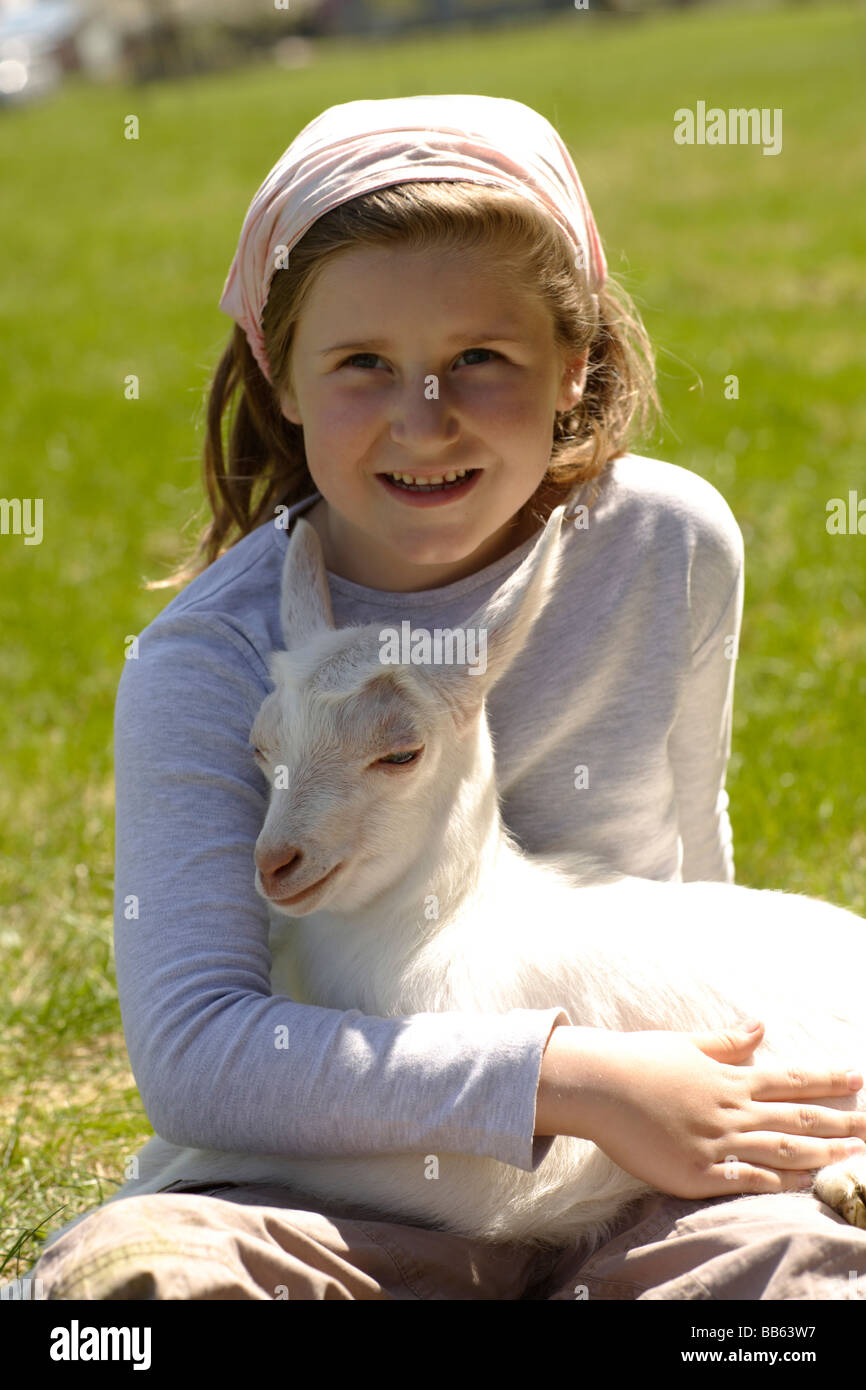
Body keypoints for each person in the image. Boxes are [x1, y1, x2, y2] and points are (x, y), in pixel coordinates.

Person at [26, 94, 866, 1301]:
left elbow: (687, 863)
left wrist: (685, 1107)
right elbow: (197, 1054)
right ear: (286, 381)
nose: (425, 417)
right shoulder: (205, 656)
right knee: (137, 1283)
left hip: (639, 1169)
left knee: (799, 1275)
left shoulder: (664, 541)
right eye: (364, 364)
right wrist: (565, 1078)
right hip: (337, 1174)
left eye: (479, 357)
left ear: (572, 366)